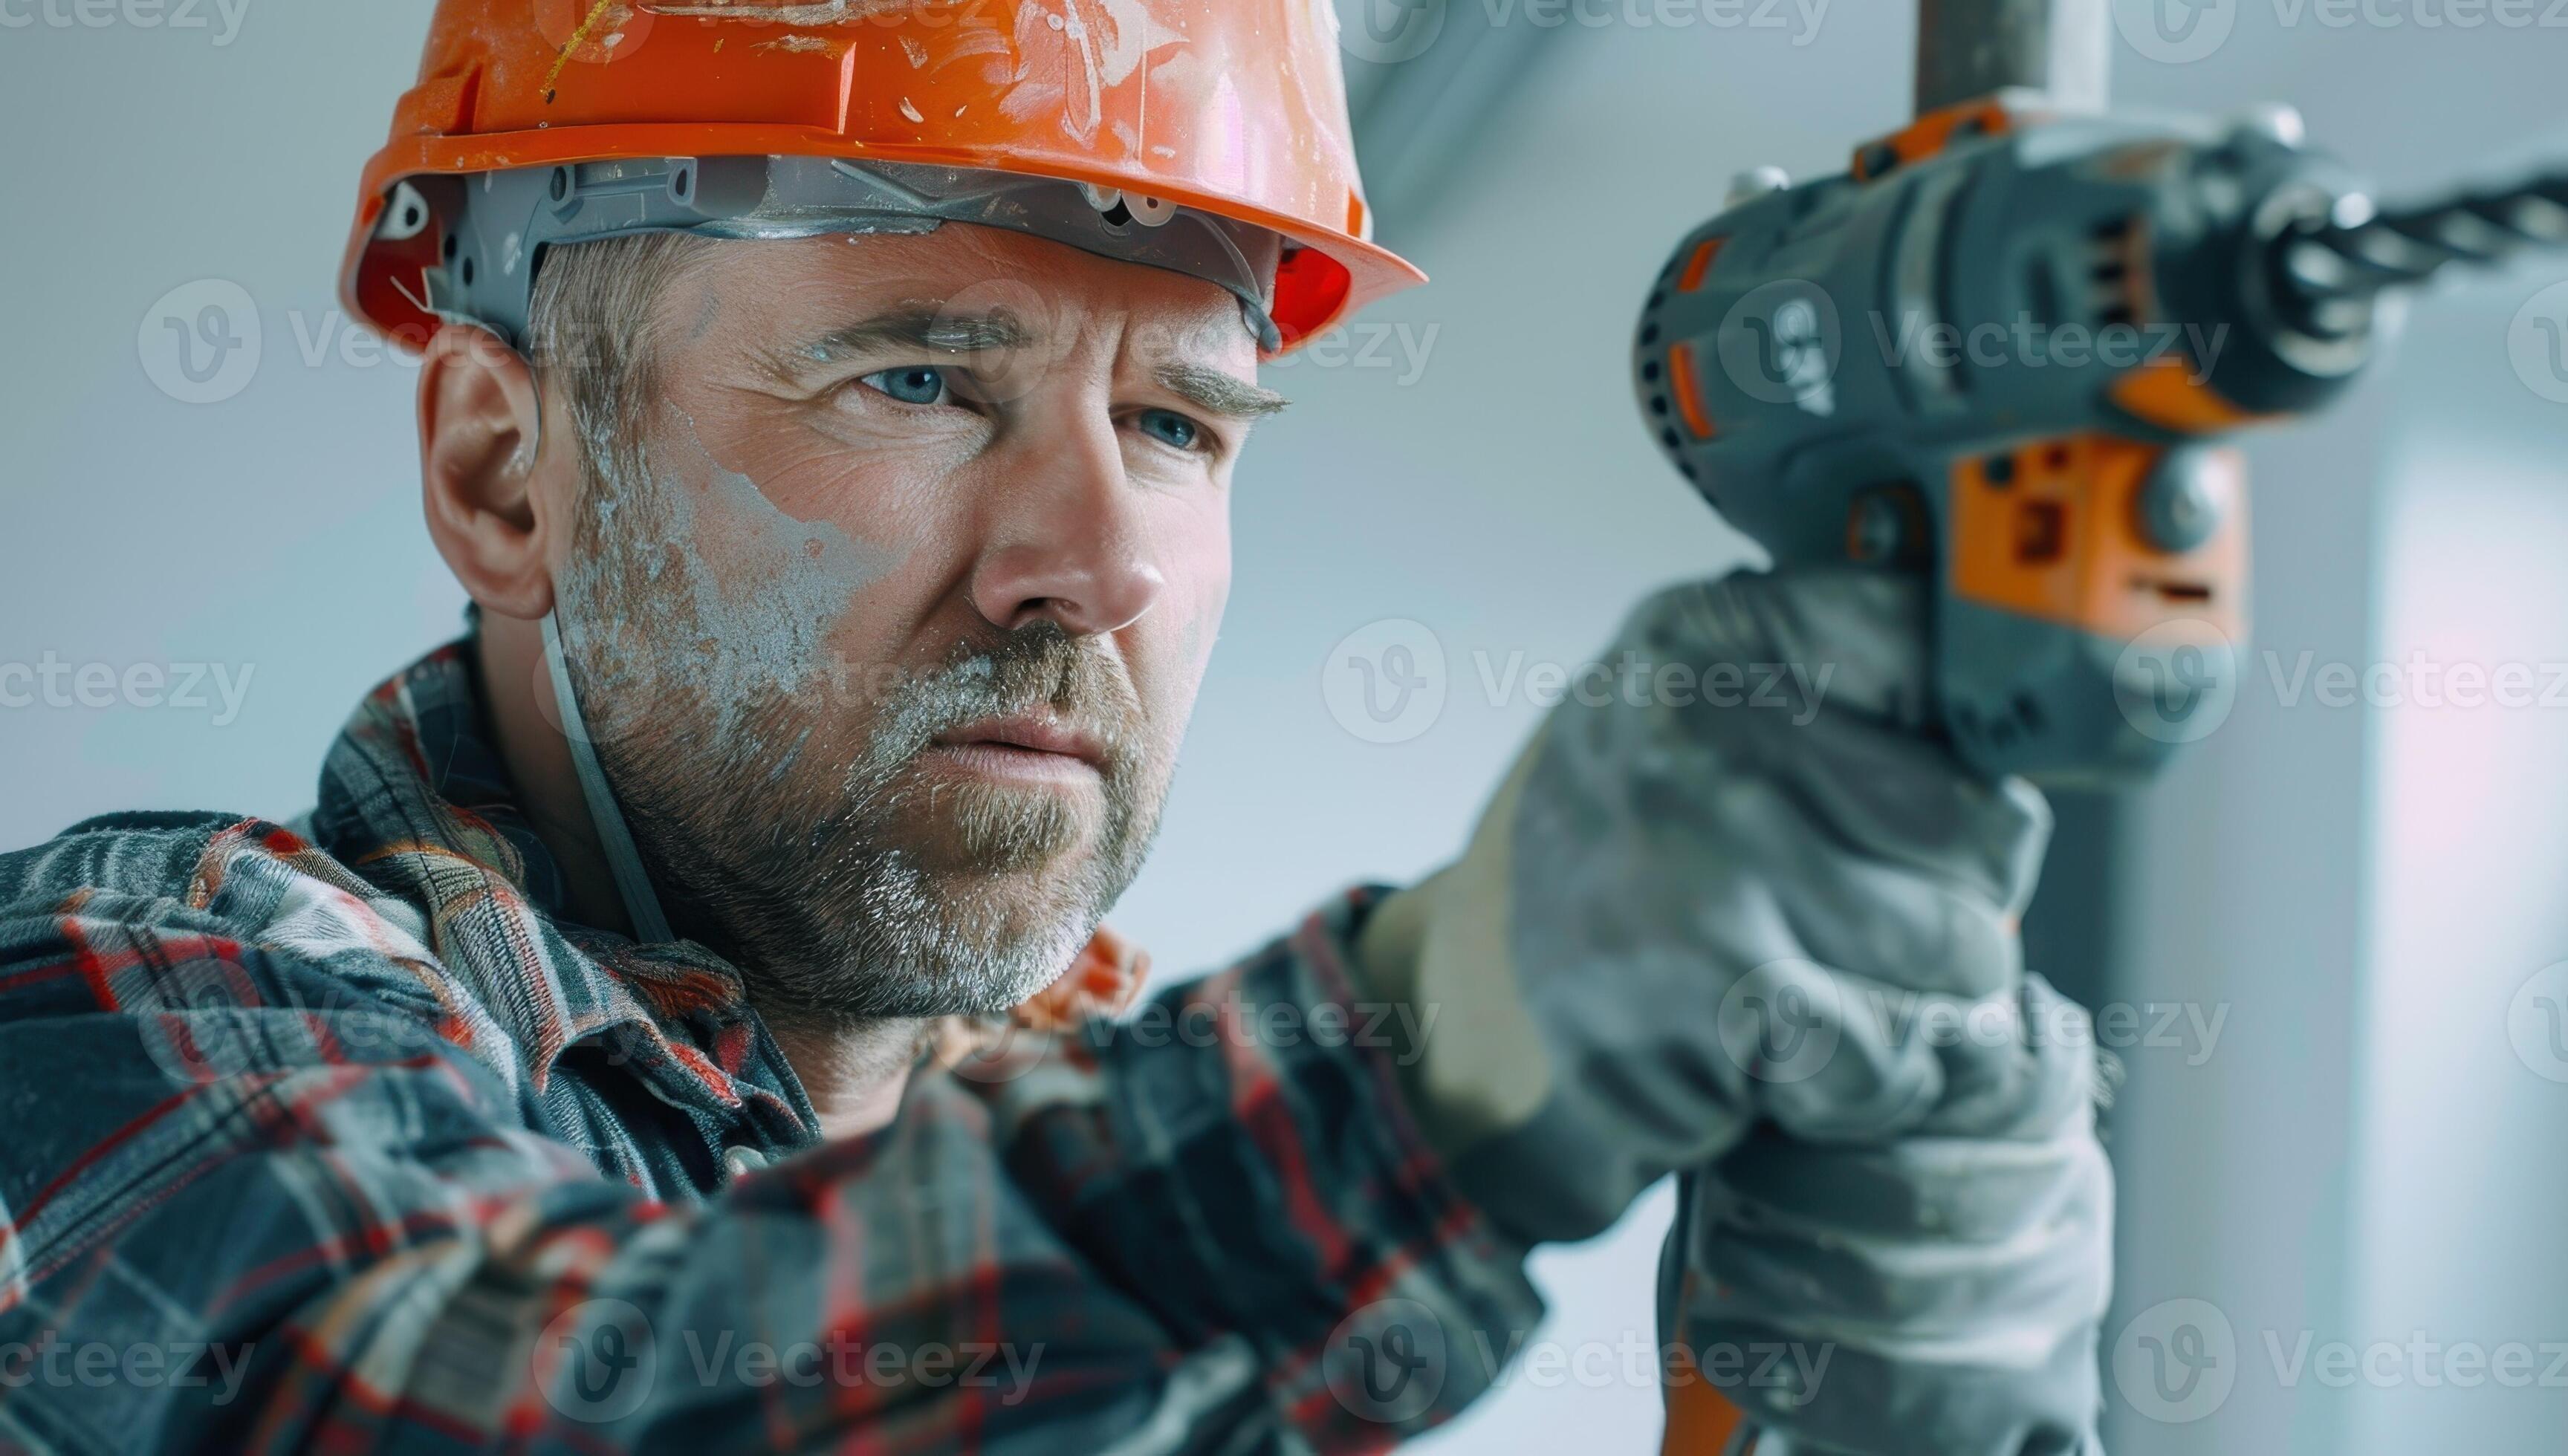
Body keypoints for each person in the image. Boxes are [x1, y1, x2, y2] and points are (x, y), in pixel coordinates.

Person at [0, 2, 2109, 1450]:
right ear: (503, 469)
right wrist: (1431, 1074)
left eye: (1179, 420)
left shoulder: (1118, 1232)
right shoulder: (134, 1001)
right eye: (916, 380)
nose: (1090, 558)